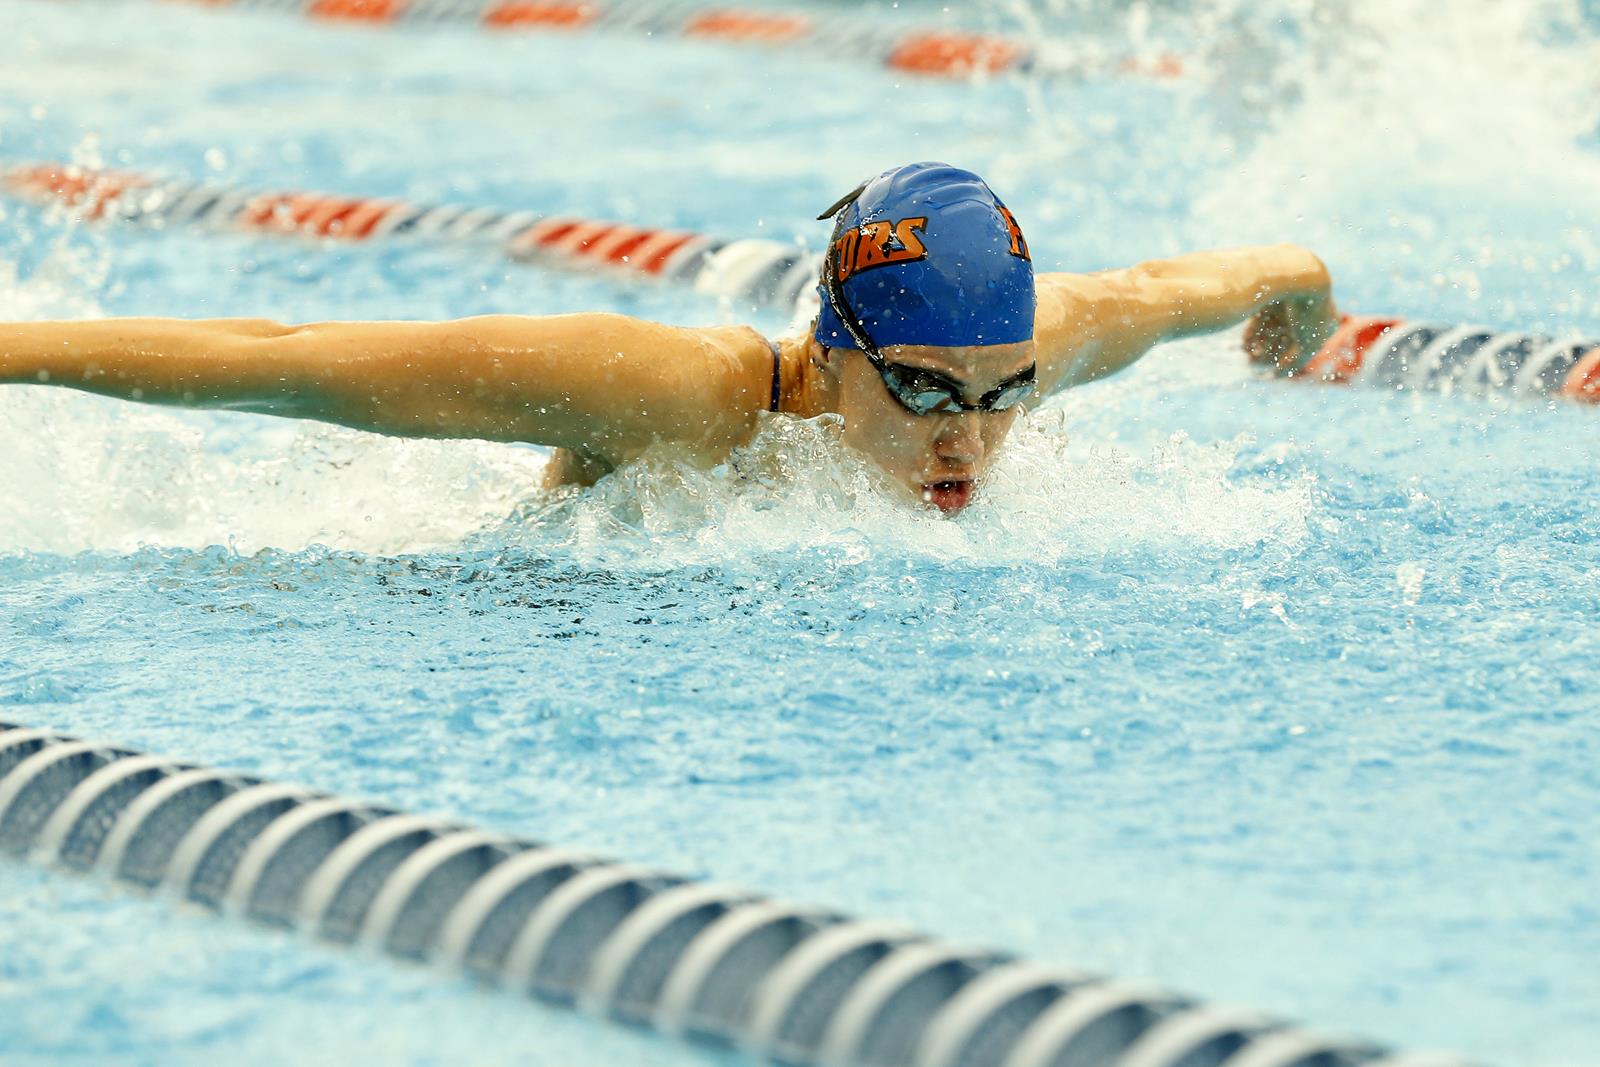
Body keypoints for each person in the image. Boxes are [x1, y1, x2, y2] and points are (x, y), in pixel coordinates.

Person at [0, 162, 1338, 515]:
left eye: (1009, 397)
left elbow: (1238, 274)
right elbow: (279, 359)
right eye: (927, 394)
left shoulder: (1052, 332)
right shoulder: (677, 401)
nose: (972, 439)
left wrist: (1307, 303)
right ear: (834, 354)